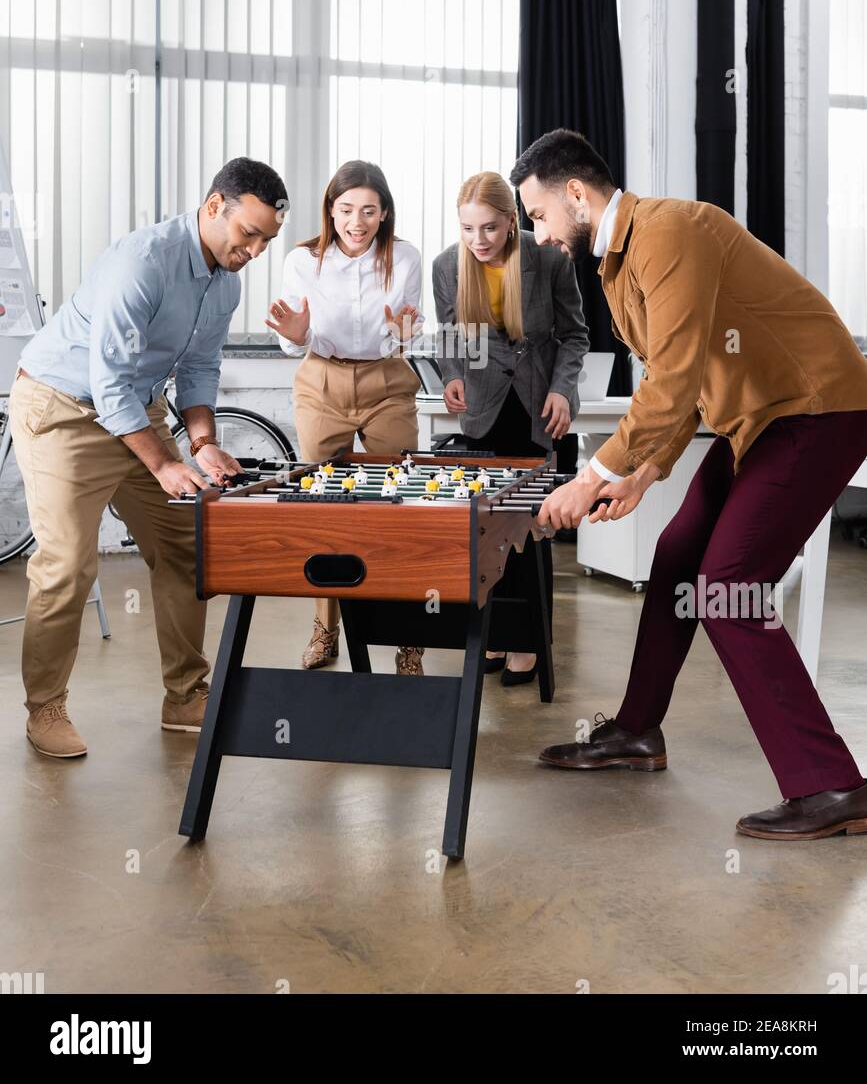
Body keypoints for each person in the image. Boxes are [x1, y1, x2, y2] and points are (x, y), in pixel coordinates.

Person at [513, 127, 867, 840]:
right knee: (677, 557)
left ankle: (831, 786)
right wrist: (645, 471)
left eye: (540, 214)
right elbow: (690, 383)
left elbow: (672, 380)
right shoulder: (616, 267)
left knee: (725, 588)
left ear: (575, 194)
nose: (540, 234)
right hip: (756, 423)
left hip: (816, 410)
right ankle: (636, 733)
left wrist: (594, 476)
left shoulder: (670, 231)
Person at [10, 158, 288, 758]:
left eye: (267, 240)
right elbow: (106, 382)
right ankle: (45, 708)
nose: (256, 250)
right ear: (215, 206)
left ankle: (186, 696)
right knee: (67, 566)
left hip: (135, 410)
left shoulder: (227, 282)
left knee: (187, 544)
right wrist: (164, 464)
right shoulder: (143, 262)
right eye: (249, 234)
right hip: (63, 408)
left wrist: (204, 442)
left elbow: (198, 368)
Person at [266, 161, 425, 674]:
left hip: (385, 385)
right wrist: (294, 336)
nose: (356, 221)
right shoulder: (302, 261)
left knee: (397, 509)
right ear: (330, 209)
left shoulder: (404, 258)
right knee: (324, 509)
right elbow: (295, 340)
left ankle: (408, 638)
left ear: (384, 214)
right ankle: (325, 629)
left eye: (369, 211)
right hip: (322, 384)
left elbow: (404, 337)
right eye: (346, 209)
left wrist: (402, 335)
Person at [432, 171, 589, 684]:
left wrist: (564, 390)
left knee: (531, 529)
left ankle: (531, 642)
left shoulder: (546, 256)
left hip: (537, 410)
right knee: (486, 531)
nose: (479, 241)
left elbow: (574, 335)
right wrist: (452, 375)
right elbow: (450, 334)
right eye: (468, 229)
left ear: (511, 220)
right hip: (483, 412)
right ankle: (495, 636)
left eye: (490, 229)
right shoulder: (446, 267)